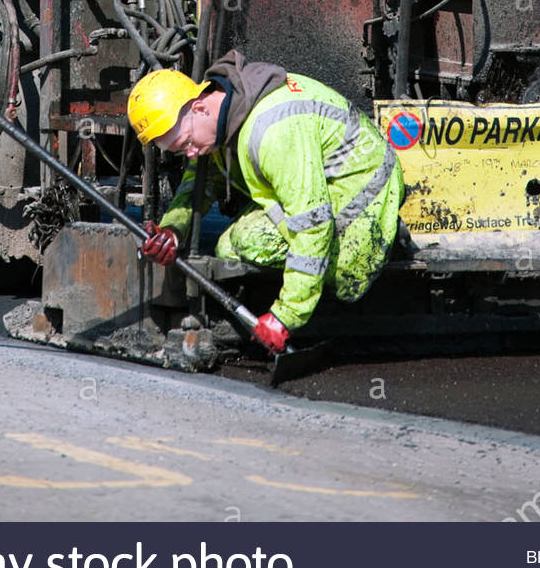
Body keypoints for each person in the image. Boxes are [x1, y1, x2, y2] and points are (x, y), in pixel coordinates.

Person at [127, 54, 403, 353]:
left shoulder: (273, 132)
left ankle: (377, 244)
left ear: (199, 107)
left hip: (363, 192)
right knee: (229, 247)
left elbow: (312, 225)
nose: (191, 153)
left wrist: (286, 316)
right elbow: (201, 181)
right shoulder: (227, 106)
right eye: (182, 151)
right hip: (327, 184)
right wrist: (172, 230)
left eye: (188, 143)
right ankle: (298, 287)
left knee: (251, 240)